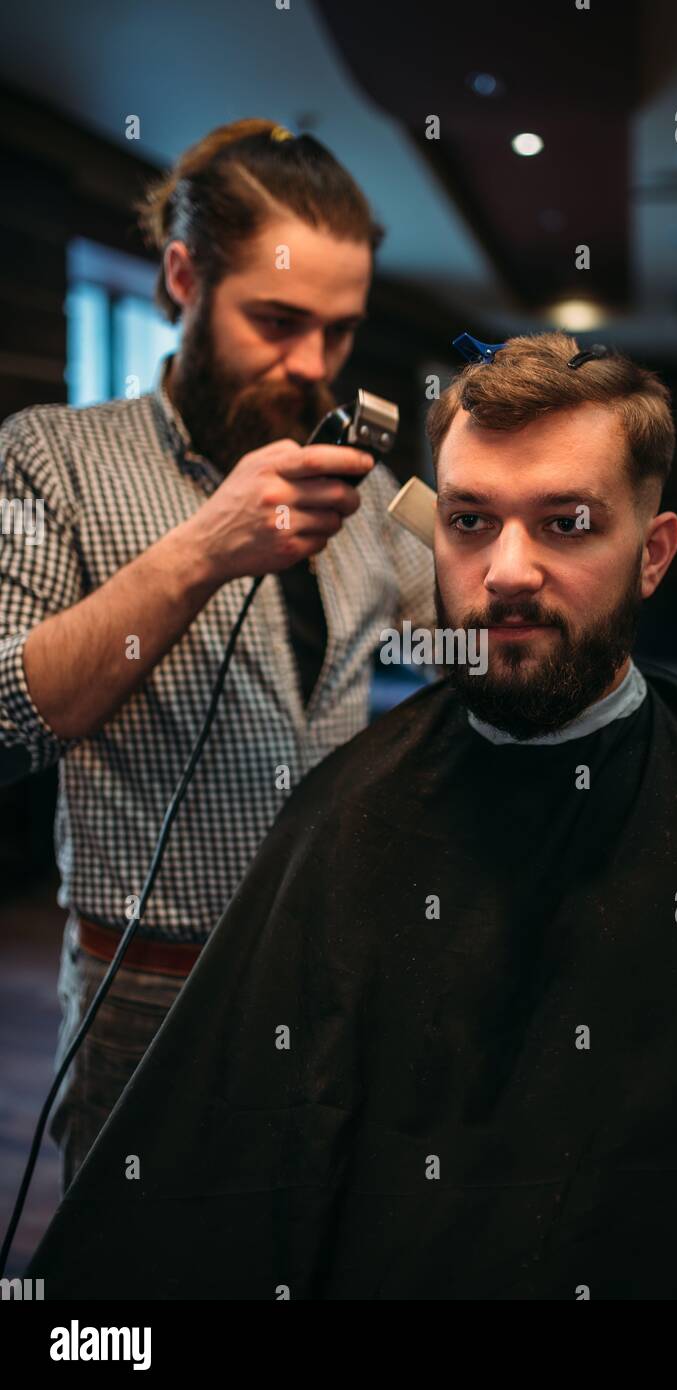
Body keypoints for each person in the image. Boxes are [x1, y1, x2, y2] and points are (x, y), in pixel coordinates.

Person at [27, 332, 677, 1300]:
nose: (507, 570)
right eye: (470, 521)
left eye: (566, 523)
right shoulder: (345, 816)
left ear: (653, 553)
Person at [0, 118, 433, 1193]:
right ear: (184, 278)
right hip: (147, 987)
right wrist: (204, 547)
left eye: (338, 333)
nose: (311, 367)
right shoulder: (48, 454)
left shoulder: (366, 487)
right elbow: (9, 712)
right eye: (278, 321)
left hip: (335, 964)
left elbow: (455, 607)